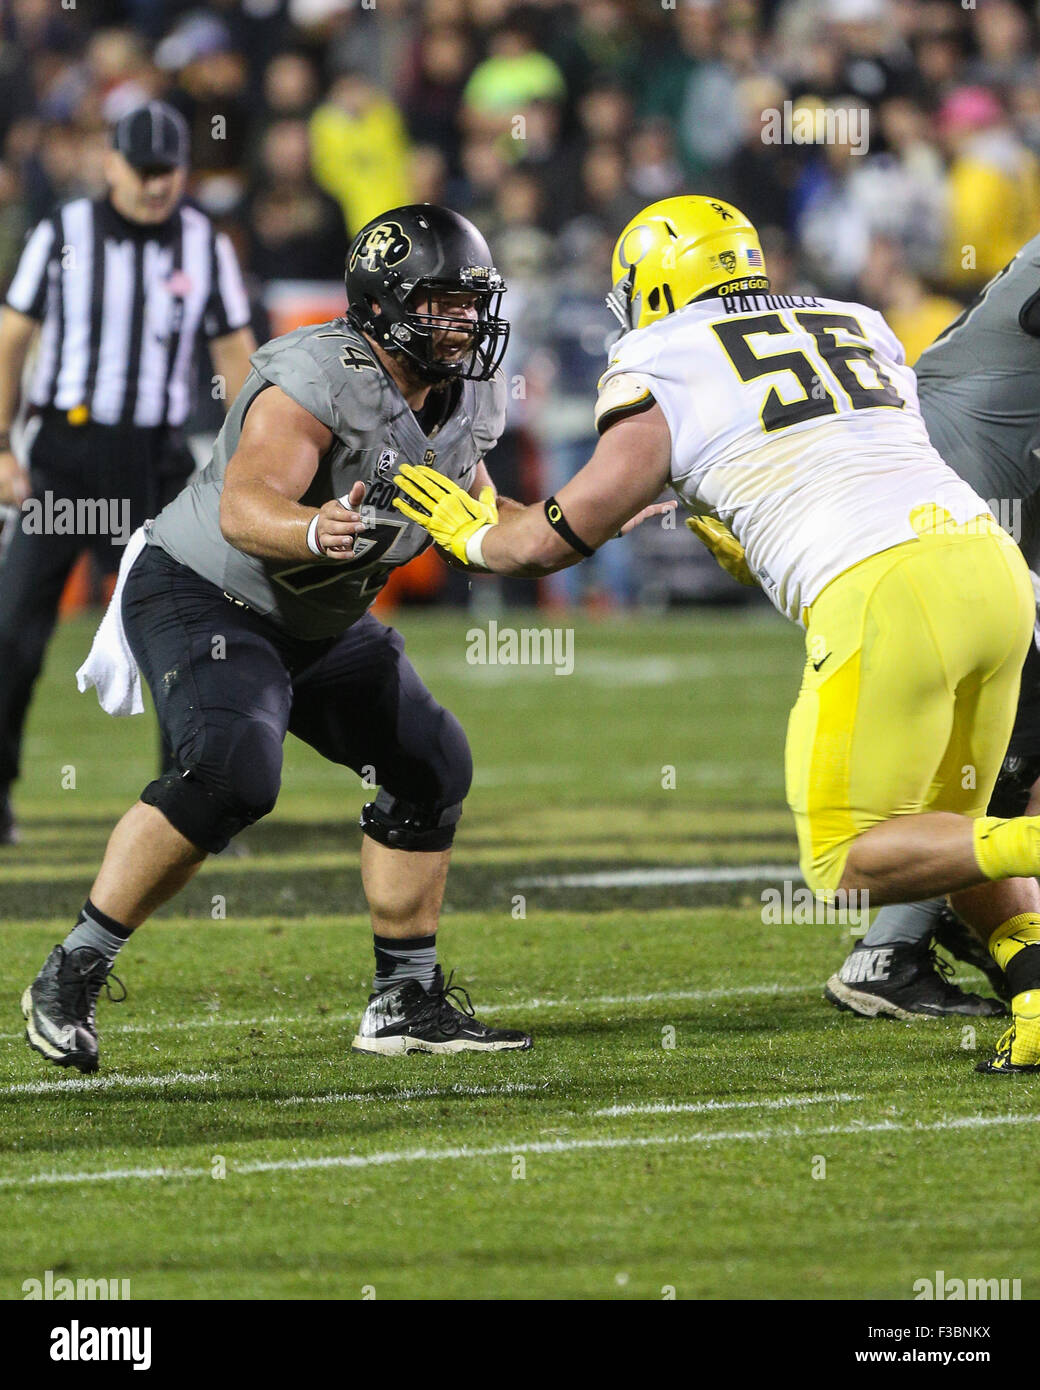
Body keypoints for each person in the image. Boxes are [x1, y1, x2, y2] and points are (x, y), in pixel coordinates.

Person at [394, 194, 1040, 1075]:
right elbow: (853, 456)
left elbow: (559, 532)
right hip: (993, 572)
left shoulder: (662, 355)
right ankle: (1038, 1000)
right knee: (950, 827)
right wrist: (759, 544)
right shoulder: (853, 319)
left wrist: (476, 536)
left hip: (885, 588)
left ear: (656, 283)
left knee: (849, 857)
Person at [20, 203, 533, 1072]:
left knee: (430, 764)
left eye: (472, 302)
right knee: (230, 771)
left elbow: (487, 520)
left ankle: (403, 998)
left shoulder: (462, 392)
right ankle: (72, 968)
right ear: (385, 302)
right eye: (443, 302)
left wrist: (595, 517)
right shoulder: (318, 371)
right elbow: (246, 502)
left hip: (317, 615)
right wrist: (310, 532)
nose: (465, 322)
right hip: (209, 589)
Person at [0, 101, 256, 843]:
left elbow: (234, 353)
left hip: (154, 461)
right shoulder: (64, 234)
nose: (154, 186)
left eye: (167, 171)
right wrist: (4, 445)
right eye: (142, 170)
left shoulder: (202, 241)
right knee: (14, 629)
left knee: (185, 635)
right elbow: (12, 337)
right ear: (109, 164)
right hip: (66, 459)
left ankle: (192, 801)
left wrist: (249, 461)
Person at [827, 231, 1040, 1020]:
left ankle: (896, 946)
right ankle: (920, 947)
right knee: (994, 768)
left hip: (991, 503)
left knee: (996, 768)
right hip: (946, 510)